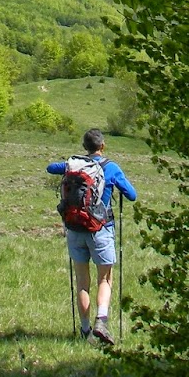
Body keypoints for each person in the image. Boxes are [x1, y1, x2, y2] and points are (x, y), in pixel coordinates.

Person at [47, 128, 138, 345]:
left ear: (84, 146)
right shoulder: (111, 167)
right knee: (105, 278)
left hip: (75, 228)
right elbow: (132, 195)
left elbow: (50, 167)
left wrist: (68, 165)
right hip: (101, 228)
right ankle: (101, 321)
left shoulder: (73, 165)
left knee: (82, 283)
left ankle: (85, 331)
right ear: (103, 146)